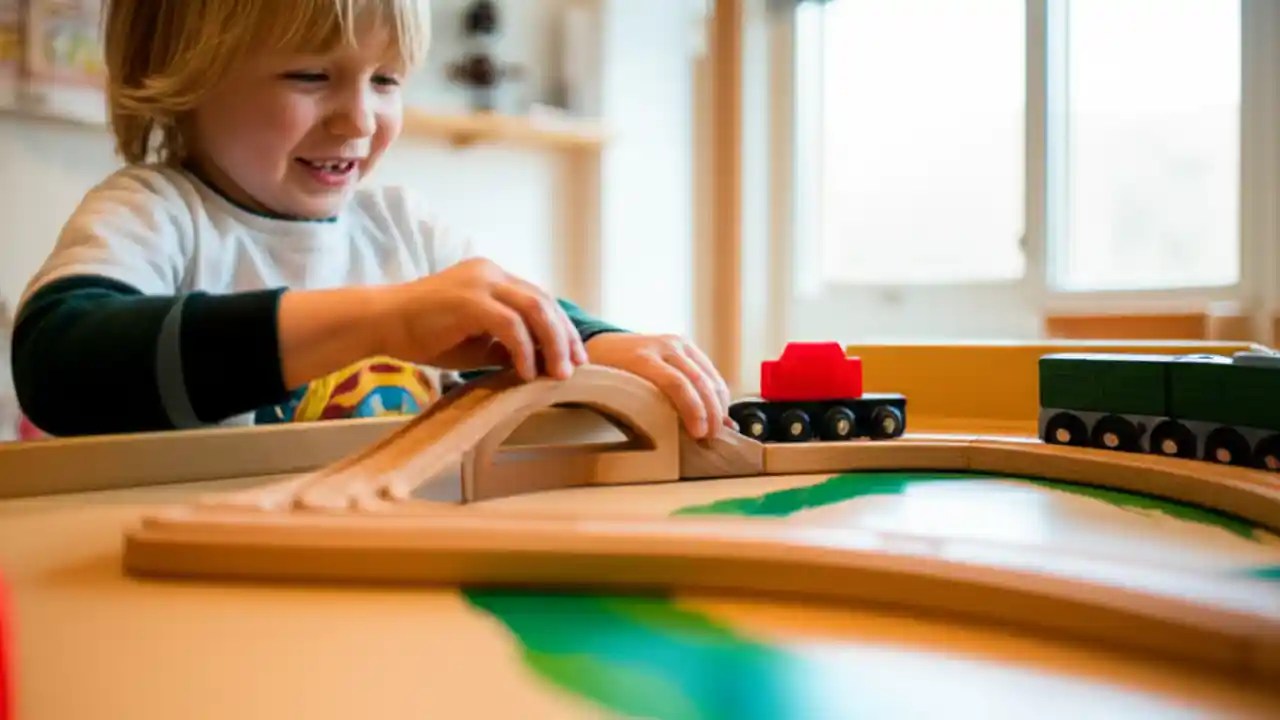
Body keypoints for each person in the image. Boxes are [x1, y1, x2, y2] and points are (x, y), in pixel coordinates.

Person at [10, 0, 732, 439]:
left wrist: (605, 347)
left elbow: (515, 315)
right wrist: (385, 320)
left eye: (386, 80)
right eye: (310, 75)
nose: (359, 118)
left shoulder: (402, 229)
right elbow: (58, 364)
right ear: (178, 73)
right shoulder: (159, 215)